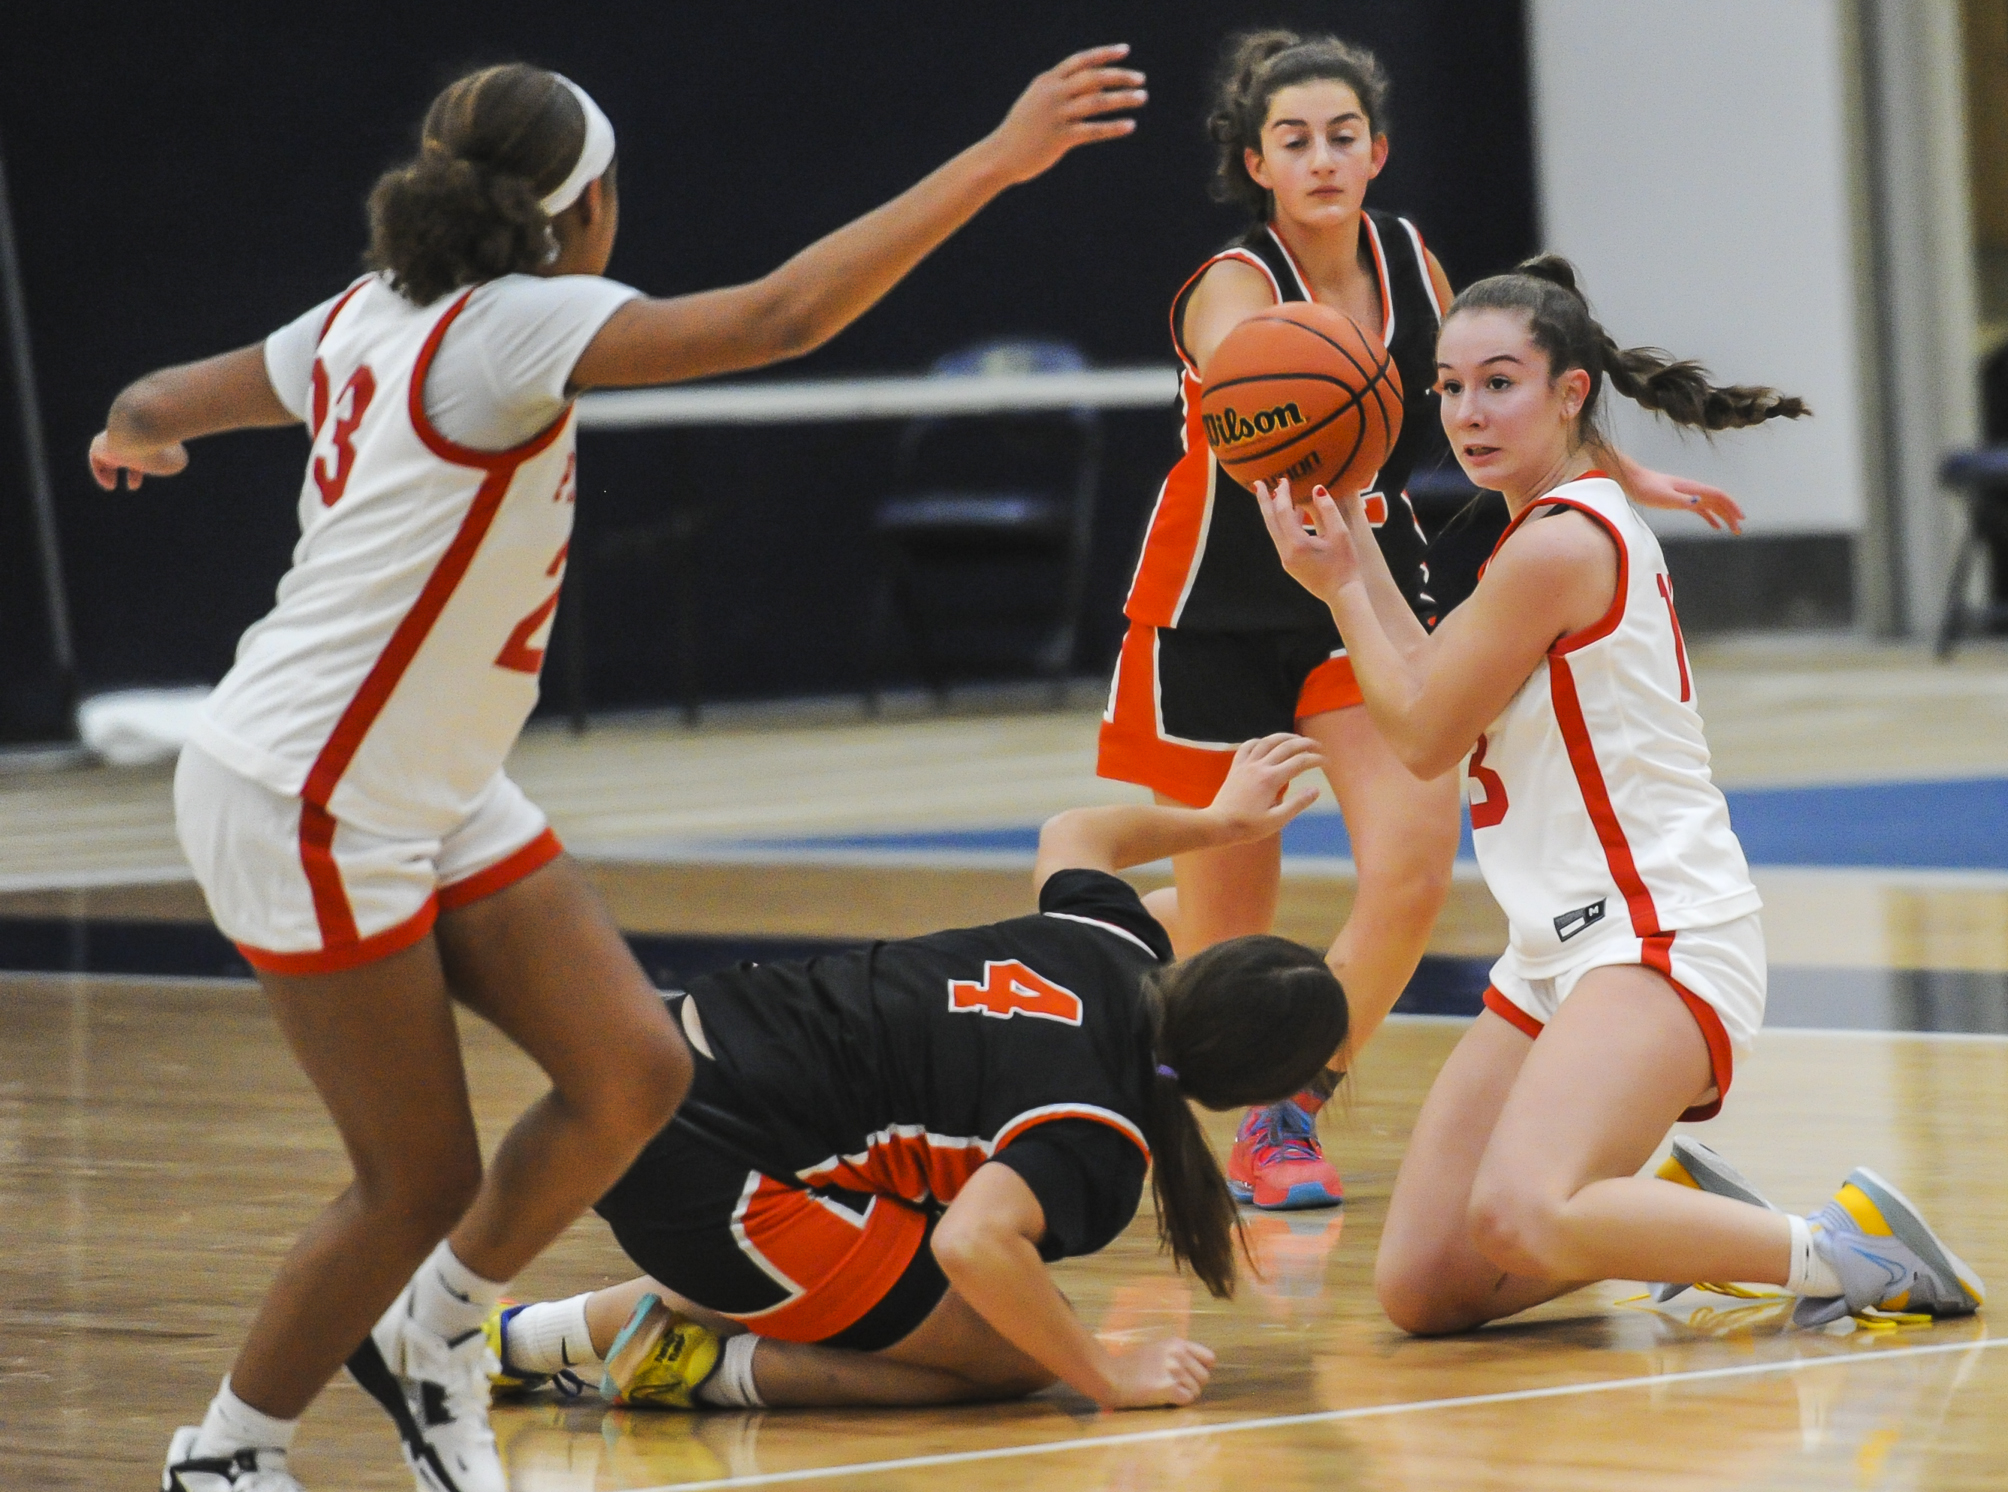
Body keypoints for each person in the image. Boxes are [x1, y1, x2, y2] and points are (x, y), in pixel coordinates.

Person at [94, 52, 1149, 1492]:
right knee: (419, 1180)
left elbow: (171, 391)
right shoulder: (516, 324)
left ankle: (435, 1340)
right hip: (308, 794)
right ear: (582, 209)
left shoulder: (366, 312)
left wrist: (136, 428)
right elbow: (783, 316)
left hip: (427, 774)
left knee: (634, 1071)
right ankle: (226, 1454)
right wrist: (995, 159)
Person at [1254, 255, 1984, 1334]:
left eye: (1498, 382)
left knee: (1521, 1210)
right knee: (1425, 1286)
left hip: (1657, 933)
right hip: (1553, 949)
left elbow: (1415, 738)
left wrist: (1336, 590)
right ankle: (1677, 1216)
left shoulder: (1557, 544)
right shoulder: (1528, 538)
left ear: (1570, 393)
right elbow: (1427, 689)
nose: (1466, 411)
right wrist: (1356, 564)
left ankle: (1856, 1258)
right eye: (1448, 387)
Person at [1097, 29, 1748, 1214]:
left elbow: (1503, 374)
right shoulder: (1236, 290)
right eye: (1294, 140)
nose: (1322, 157)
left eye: (1343, 135)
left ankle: (1289, 1107)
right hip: (1219, 615)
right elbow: (1253, 393)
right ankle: (1109, 982)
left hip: (1361, 587)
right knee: (1217, 940)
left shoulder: (1411, 260)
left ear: (1378, 149)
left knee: (1408, 868)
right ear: (1257, 165)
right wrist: (1292, 403)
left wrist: (1626, 474)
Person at [484, 737, 1348, 1413]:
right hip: (712, 1174)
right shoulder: (1102, 1132)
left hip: (654, 1058)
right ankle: (713, 1376)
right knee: (1018, 1354)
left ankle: (515, 1341)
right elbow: (971, 1243)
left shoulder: (1111, 938)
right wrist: (1105, 1376)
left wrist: (1221, 826)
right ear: (1245, 1091)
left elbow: (1074, 833)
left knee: (861, 1257)